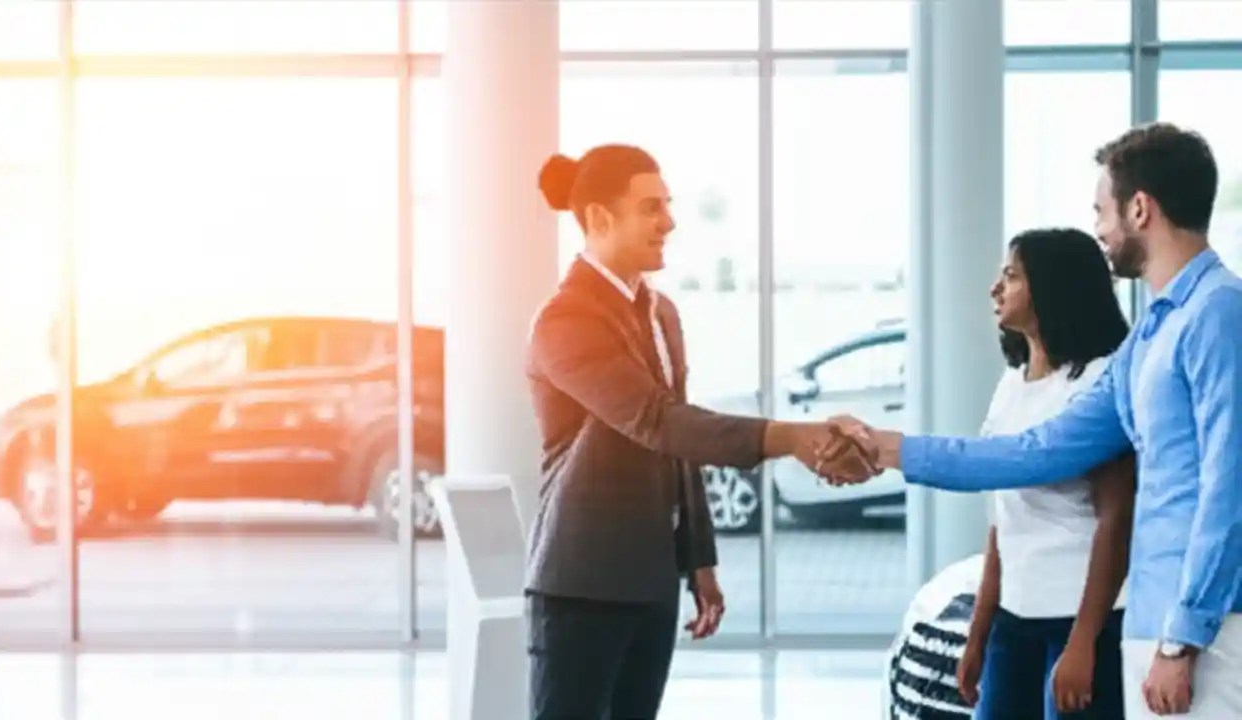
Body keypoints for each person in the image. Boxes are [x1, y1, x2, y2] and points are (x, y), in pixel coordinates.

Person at [819, 123, 1242, 718]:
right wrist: (885, 447)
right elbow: (1035, 451)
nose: (1099, 230)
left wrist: (1184, 637)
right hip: (1153, 622)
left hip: (1206, 632)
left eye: (1103, 210)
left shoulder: (1219, 313)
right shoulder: (1151, 335)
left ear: (1139, 209)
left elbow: (1229, 489)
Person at [524, 143, 863, 720]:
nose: (669, 222)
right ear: (600, 219)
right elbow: (655, 420)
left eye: (668, 205)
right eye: (651, 208)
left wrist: (698, 561)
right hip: (583, 585)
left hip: (650, 579)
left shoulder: (660, 314)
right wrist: (792, 438)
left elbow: (676, 444)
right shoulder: (566, 320)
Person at [955, 227, 1135, 720]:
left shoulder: (1098, 382)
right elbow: (1003, 523)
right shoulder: (1011, 385)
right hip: (1014, 623)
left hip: (1081, 623)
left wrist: (1083, 643)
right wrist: (980, 632)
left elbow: (1116, 521)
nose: (996, 288)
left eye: (1010, 276)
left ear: (1053, 288)